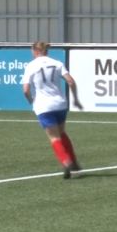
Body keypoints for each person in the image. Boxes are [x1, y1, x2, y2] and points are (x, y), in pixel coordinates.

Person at [21, 41, 82, 179]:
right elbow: (71, 81)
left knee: (54, 137)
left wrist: (31, 101)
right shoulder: (57, 63)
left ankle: (66, 162)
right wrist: (76, 100)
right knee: (62, 133)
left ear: (35, 51)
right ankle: (74, 162)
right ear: (46, 51)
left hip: (44, 106)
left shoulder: (31, 66)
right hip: (60, 104)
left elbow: (25, 90)